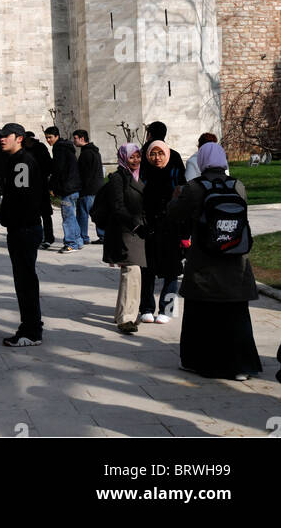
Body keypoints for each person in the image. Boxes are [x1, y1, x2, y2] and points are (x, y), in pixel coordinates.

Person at [167, 141, 262, 380]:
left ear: (202, 161)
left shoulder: (195, 187)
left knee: (201, 315)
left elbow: (175, 215)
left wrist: (175, 198)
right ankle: (241, 366)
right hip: (236, 261)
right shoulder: (237, 185)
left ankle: (199, 362)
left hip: (205, 262)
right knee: (236, 315)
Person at [0, 124, 47, 348]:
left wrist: (11, 220)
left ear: (18, 138)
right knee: (25, 280)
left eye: (5, 136)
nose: (1, 139)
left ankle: (31, 330)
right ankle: (31, 324)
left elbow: (22, 198)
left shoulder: (22, 162)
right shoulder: (16, 160)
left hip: (24, 229)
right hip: (23, 228)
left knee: (25, 281)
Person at [103, 144, 146, 335]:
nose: (135, 160)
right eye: (131, 157)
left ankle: (123, 313)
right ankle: (127, 318)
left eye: (138, 156)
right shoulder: (118, 178)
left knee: (131, 273)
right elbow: (117, 206)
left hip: (140, 230)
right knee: (132, 271)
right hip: (126, 231)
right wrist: (134, 223)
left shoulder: (142, 176)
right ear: (123, 158)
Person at [139, 140, 184, 324]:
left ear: (167, 154)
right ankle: (146, 308)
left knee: (172, 270)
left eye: (160, 154)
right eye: (153, 154)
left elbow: (184, 203)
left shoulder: (176, 173)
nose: (157, 158)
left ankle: (167, 308)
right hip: (149, 229)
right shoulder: (144, 174)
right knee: (147, 270)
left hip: (172, 229)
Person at [43, 126, 82, 252]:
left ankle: (71, 243)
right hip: (74, 187)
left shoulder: (59, 148)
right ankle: (78, 241)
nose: (48, 140)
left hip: (68, 188)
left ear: (57, 136)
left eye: (50, 137)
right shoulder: (67, 147)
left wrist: (52, 186)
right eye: (46, 138)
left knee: (68, 216)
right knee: (72, 216)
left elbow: (57, 170)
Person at [22, 132, 54, 246]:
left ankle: (48, 238)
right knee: (33, 213)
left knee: (45, 213)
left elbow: (49, 165)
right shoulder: (24, 150)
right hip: (30, 186)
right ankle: (38, 236)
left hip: (41, 185)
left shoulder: (39, 148)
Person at [73, 130, 104, 246]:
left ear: (82, 139)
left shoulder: (85, 154)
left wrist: (80, 188)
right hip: (98, 188)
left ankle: (83, 237)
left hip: (88, 189)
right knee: (96, 213)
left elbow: (84, 173)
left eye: (75, 138)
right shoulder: (95, 152)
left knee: (83, 214)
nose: (74, 141)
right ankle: (102, 235)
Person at [139, 121, 184, 186]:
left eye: (161, 153)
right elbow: (181, 180)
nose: (157, 158)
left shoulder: (141, 154)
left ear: (149, 135)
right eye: (153, 154)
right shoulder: (174, 155)